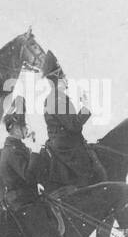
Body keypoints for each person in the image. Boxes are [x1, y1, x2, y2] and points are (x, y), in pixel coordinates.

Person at [0, 97, 60, 237]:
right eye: (23, 126)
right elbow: (28, 174)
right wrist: (35, 149)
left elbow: (33, 175)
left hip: (26, 195)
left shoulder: (17, 147)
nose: (26, 129)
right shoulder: (13, 150)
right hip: (20, 200)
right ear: (14, 128)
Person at [40, 52, 106, 189]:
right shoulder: (57, 98)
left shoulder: (55, 97)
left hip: (63, 143)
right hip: (66, 146)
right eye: (64, 77)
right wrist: (85, 108)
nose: (66, 80)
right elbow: (74, 126)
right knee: (90, 173)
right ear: (58, 79)